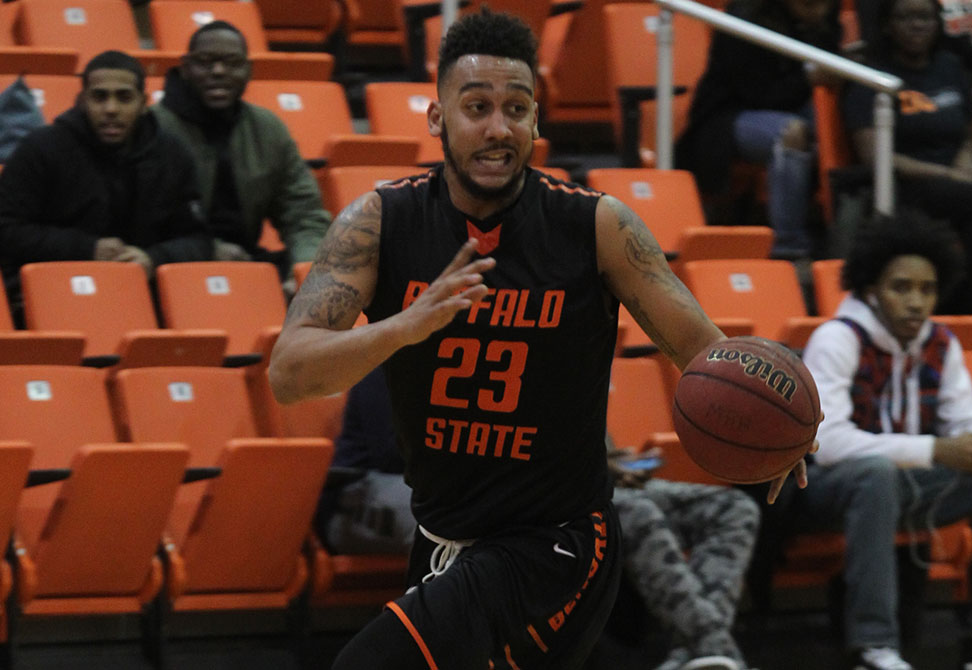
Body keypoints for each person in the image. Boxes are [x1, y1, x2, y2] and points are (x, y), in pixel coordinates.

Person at [269, 9, 807, 670]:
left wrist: (775, 420)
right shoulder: (381, 222)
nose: (498, 128)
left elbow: (702, 350)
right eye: (477, 107)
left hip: (555, 547)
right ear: (437, 119)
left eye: (516, 108)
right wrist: (403, 327)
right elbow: (289, 375)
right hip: (441, 539)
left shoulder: (596, 227)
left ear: (536, 120)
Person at [799, 211, 972, 670]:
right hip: (828, 488)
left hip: (903, 484)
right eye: (901, 287)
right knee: (875, 475)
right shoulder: (837, 338)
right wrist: (935, 450)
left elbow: (964, 422)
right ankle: (873, 647)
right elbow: (825, 442)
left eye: (926, 290)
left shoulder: (941, 343)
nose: (916, 302)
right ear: (871, 289)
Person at [0, 50, 211, 320]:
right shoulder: (40, 149)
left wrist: (152, 258)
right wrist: (87, 249)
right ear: (82, 100)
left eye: (124, 97)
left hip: (145, 297)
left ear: (143, 103)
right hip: (53, 296)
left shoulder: (172, 154)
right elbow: (6, 229)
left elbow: (199, 239)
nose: (111, 109)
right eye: (100, 97)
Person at [841, 0, 972, 318]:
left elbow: (968, 135)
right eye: (906, 17)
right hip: (903, 182)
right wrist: (946, 174)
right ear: (887, 25)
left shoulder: (950, 67)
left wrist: (966, 162)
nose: (917, 25)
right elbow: (875, 155)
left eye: (925, 17)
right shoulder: (871, 76)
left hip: (955, 184)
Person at [150, 20, 330, 291]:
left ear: (248, 70)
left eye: (232, 63)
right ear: (185, 68)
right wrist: (208, 250)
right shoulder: (152, 128)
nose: (219, 71)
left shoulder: (268, 128)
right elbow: (144, 221)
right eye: (205, 62)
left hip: (248, 261)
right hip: (170, 263)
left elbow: (304, 215)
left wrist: (304, 269)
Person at [677, 0, 843, 258]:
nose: (820, 11)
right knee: (792, 132)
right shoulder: (744, 22)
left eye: (825, 5)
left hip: (793, 104)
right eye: (810, 5)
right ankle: (789, 245)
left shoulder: (823, 20)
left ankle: (844, 232)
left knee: (840, 120)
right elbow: (758, 94)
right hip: (728, 116)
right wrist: (808, 78)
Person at [610, 443, 760, 670]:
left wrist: (621, 460)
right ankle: (718, 649)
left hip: (616, 484)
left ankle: (691, 656)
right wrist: (597, 471)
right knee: (639, 512)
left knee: (735, 508)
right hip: (573, 498)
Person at [316, 365, 416, 556]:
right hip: (354, 491)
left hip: (412, 485)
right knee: (446, 519)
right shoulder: (385, 365)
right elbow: (391, 454)